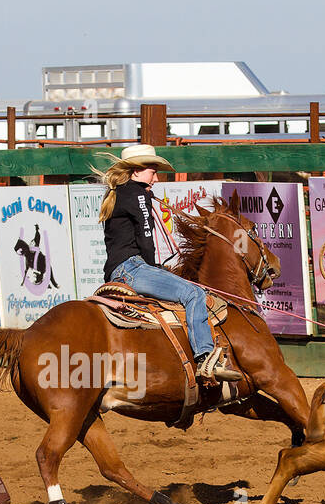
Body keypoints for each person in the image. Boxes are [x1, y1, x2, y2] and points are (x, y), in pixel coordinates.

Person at [98, 144, 242, 382]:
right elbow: (145, 238)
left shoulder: (118, 194)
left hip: (117, 269)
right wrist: (152, 265)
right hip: (133, 267)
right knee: (194, 293)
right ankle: (205, 356)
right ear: (136, 172)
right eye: (152, 172)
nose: (155, 178)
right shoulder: (138, 194)